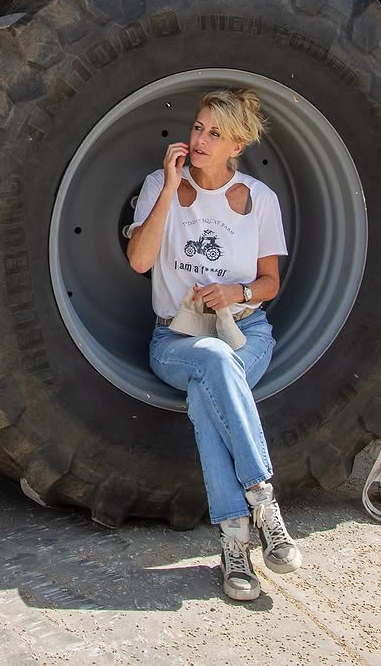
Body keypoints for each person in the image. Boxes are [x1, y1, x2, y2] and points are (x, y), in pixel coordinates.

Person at [126, 87, 301, 602]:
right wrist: (169, 190)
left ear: (236, 146)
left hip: (245, 332)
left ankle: (234, 546)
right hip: (175, 338)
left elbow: (269, 283)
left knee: (210, 390)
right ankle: (262, 499)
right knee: (212, 363)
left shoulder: (260, 200)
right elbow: (139, 261)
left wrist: (236, 292)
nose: (200, 139)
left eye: (215, 134)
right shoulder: (158, 184)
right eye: (198, 128)